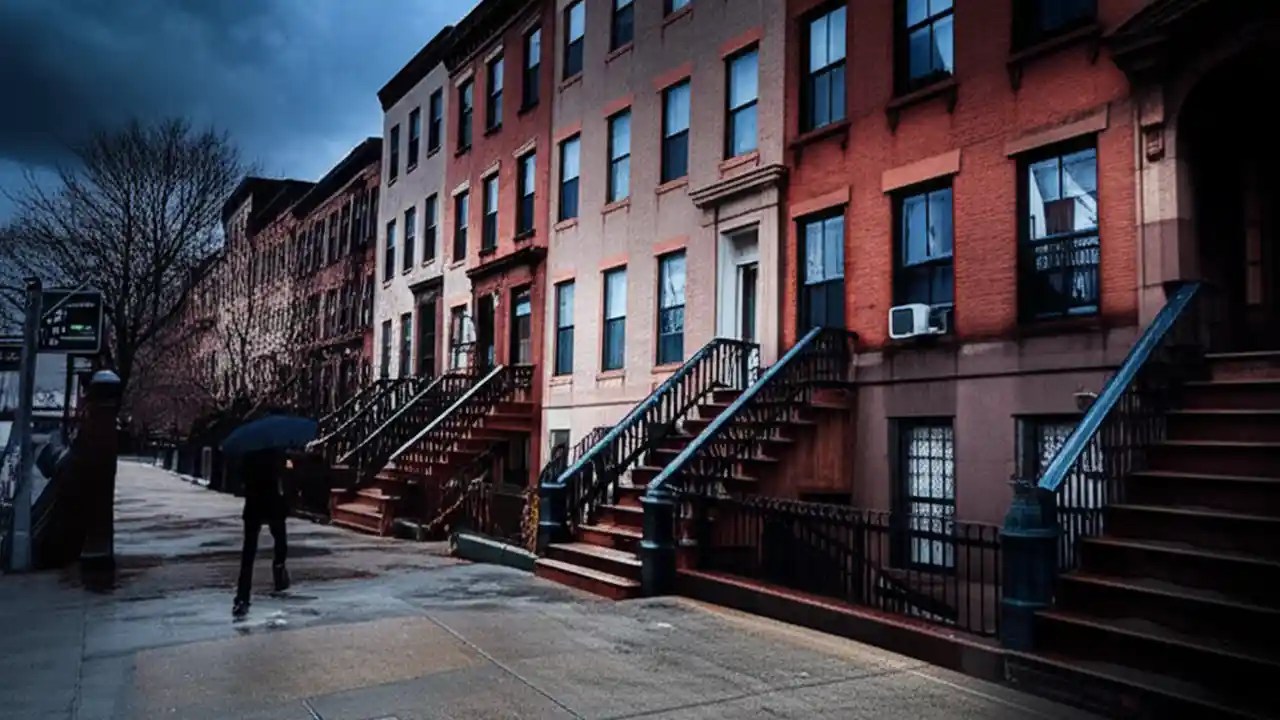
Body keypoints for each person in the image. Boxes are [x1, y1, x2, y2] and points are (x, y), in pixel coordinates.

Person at [233, 448, 290, 617]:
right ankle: (279, 571)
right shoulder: (276, 452)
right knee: (280, 540)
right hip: (272, 503)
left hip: (254, 504)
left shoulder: (248, 453)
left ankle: (242, 595)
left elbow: (241, 478)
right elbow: (283, 475)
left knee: (249, 553)